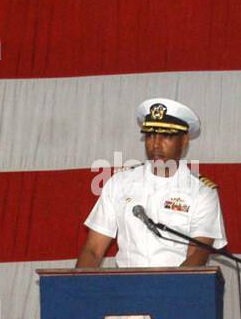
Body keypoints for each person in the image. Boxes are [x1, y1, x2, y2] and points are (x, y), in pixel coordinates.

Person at [76, 97, 227, 268]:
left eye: (166, 136)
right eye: (150, 135)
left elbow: (198, 253)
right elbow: (93, 250)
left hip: (176, 289)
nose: (156, 144)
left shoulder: (202, 192)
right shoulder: (119, 183)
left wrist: (163, 290)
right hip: (125, 289)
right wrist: (76, 290)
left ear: (184, 141)